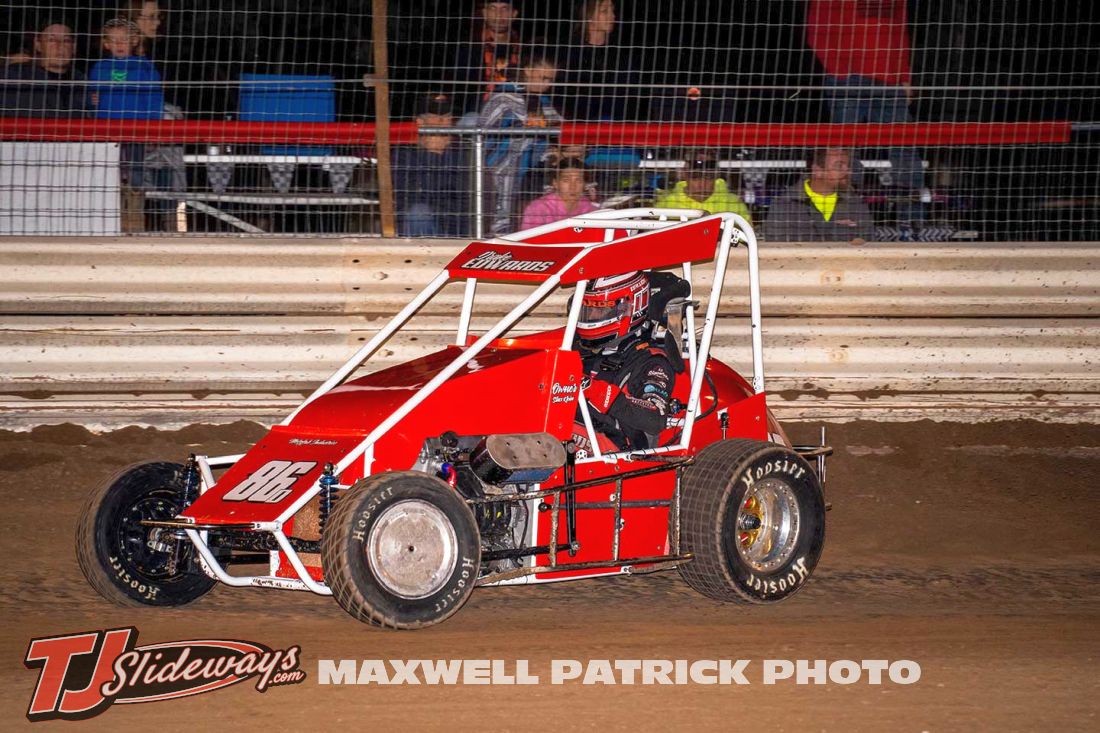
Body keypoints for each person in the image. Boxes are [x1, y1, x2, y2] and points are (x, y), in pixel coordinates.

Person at [807, 0, 925, 225]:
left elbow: (900, 30)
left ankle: (911, 223)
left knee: (906, 152)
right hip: (847, 80)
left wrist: (904, 77)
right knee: (846, 155)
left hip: (888, 82)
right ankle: (849, 219)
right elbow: (816, 28)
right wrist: (839, 68)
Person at [571, 271, 680, 454]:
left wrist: (595, 390)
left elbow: (654, 417)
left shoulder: (652, 361)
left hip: (620, 449)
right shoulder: (582, 351)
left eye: (600, 308)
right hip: (572, 434)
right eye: (588, 309)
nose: (592, 315)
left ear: (628, 309)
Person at [478, 49, 562, 235]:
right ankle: (501, 229)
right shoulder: (503, 97)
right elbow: (485, 130)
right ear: (528, 70)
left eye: (550, 80)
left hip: (533, 163)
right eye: (543, 77)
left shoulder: (544, 102)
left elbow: (556, 130)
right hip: (500, 160)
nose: (546, 84)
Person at [392, 91, 471, 237]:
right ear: (420, 122)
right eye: (436, 117)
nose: (443, 122)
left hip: (456, 223)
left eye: (447, 117)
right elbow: (410, 194)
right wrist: (432, 155)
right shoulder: (404, 152)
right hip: (423, 221)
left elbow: (462, 192)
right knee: (419, 212)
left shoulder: (462, 150)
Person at [556, 0, 646, 122]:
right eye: (605, 11)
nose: (613, 16)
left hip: (616, 126)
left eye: (613, 10)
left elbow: (632, 96)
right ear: (588, 15)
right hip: (580, 126)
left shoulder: (620, 53)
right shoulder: (568, 52)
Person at [764, 147, 875, 243]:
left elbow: (866, 245)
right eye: (839, 166)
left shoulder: (856, 204)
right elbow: (778, 246)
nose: (848, 172)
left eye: (848, 166)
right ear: (817, 171)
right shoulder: (785, 204)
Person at [451, 0, 523, 118]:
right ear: (485, 13)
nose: (499, 14)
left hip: (517, 110)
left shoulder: (525, 48)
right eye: (493, 8)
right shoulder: (468, 47)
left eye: (505, 8)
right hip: (476, 112)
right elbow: (458, 89)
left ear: (514, 14)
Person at [0, 22, 88, 117]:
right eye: (51, 40)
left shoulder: (84, 82)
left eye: (66, 40)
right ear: (38, 44)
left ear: (74, 47)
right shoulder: (15, 75)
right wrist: (5, 60)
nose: (59, 45)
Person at [655, 151, 752, 221]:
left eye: (708, 177)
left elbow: (747, 239)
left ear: (716, 175)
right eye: (695, 177)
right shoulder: (667, 204)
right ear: (684, 174)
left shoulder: (733, 204)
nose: (702, 184)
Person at [520, 158, 598, 229]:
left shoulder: (588, 208)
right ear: (555, 183)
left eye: (578, 181)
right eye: (566, 181)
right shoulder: (539, 209)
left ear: (584, 184)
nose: (572, 187)